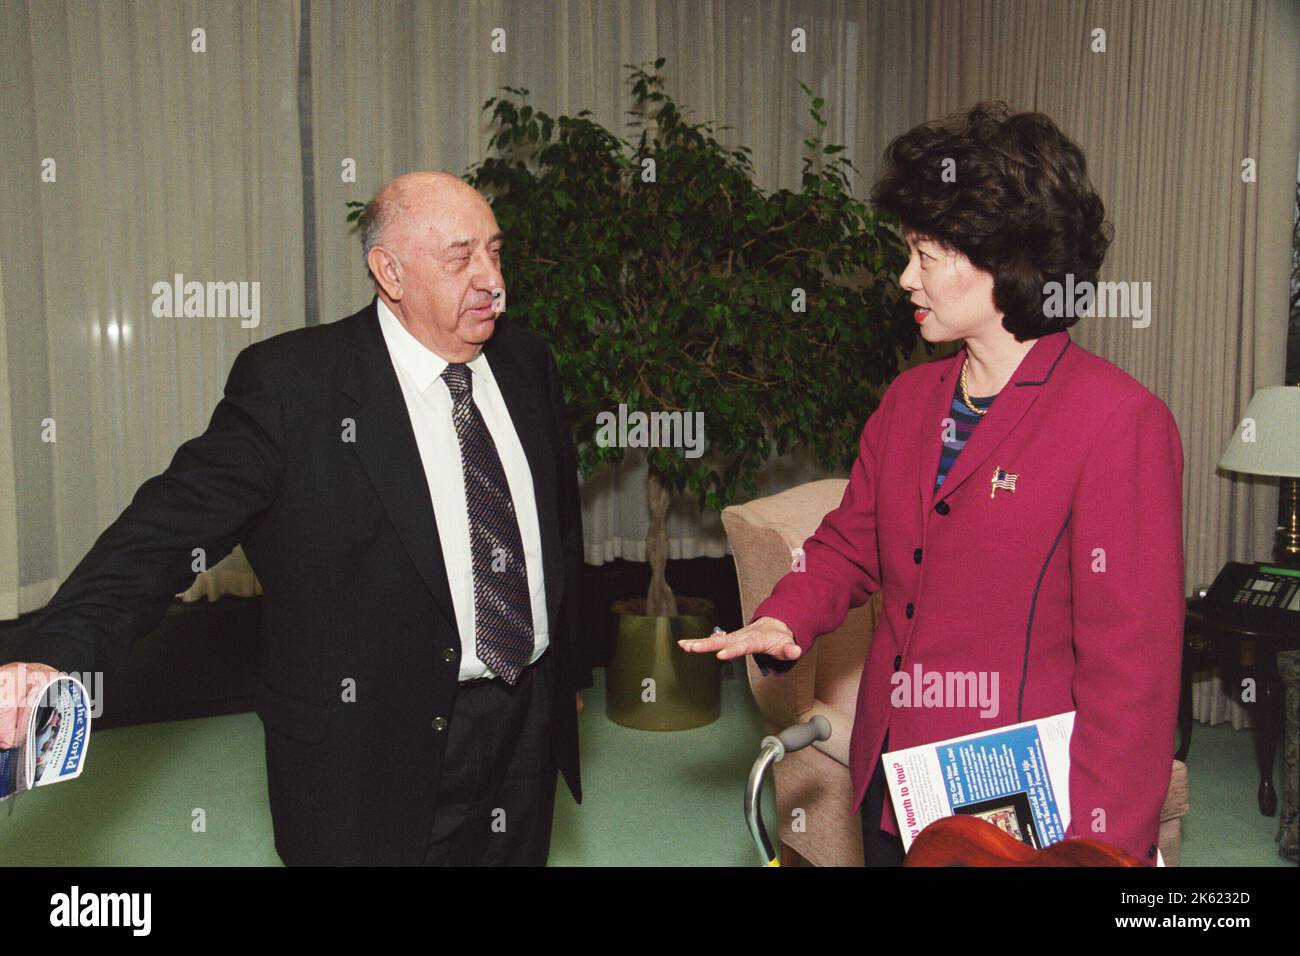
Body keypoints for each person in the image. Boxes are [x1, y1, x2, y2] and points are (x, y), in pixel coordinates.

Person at [0, 171, 590, 866]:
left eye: (496, 252)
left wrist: (567, 670)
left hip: (525, 723)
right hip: (366, 749)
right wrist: (55, 651)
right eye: (462, 259)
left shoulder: (525, 361)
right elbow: (162, 534)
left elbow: (552, 523)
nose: (492, 280)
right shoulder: (292, 387)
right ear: (389, 271)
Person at [681, 102, 1184, 867]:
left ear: (1004, 257)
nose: (904, 276)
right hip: (897, 777)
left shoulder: (1119, 424)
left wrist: (1100, 851)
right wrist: (787, 615)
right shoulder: (911, 400)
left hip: (1022, 816)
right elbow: (851, 541)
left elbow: (1134, 676)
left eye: (927, 252)